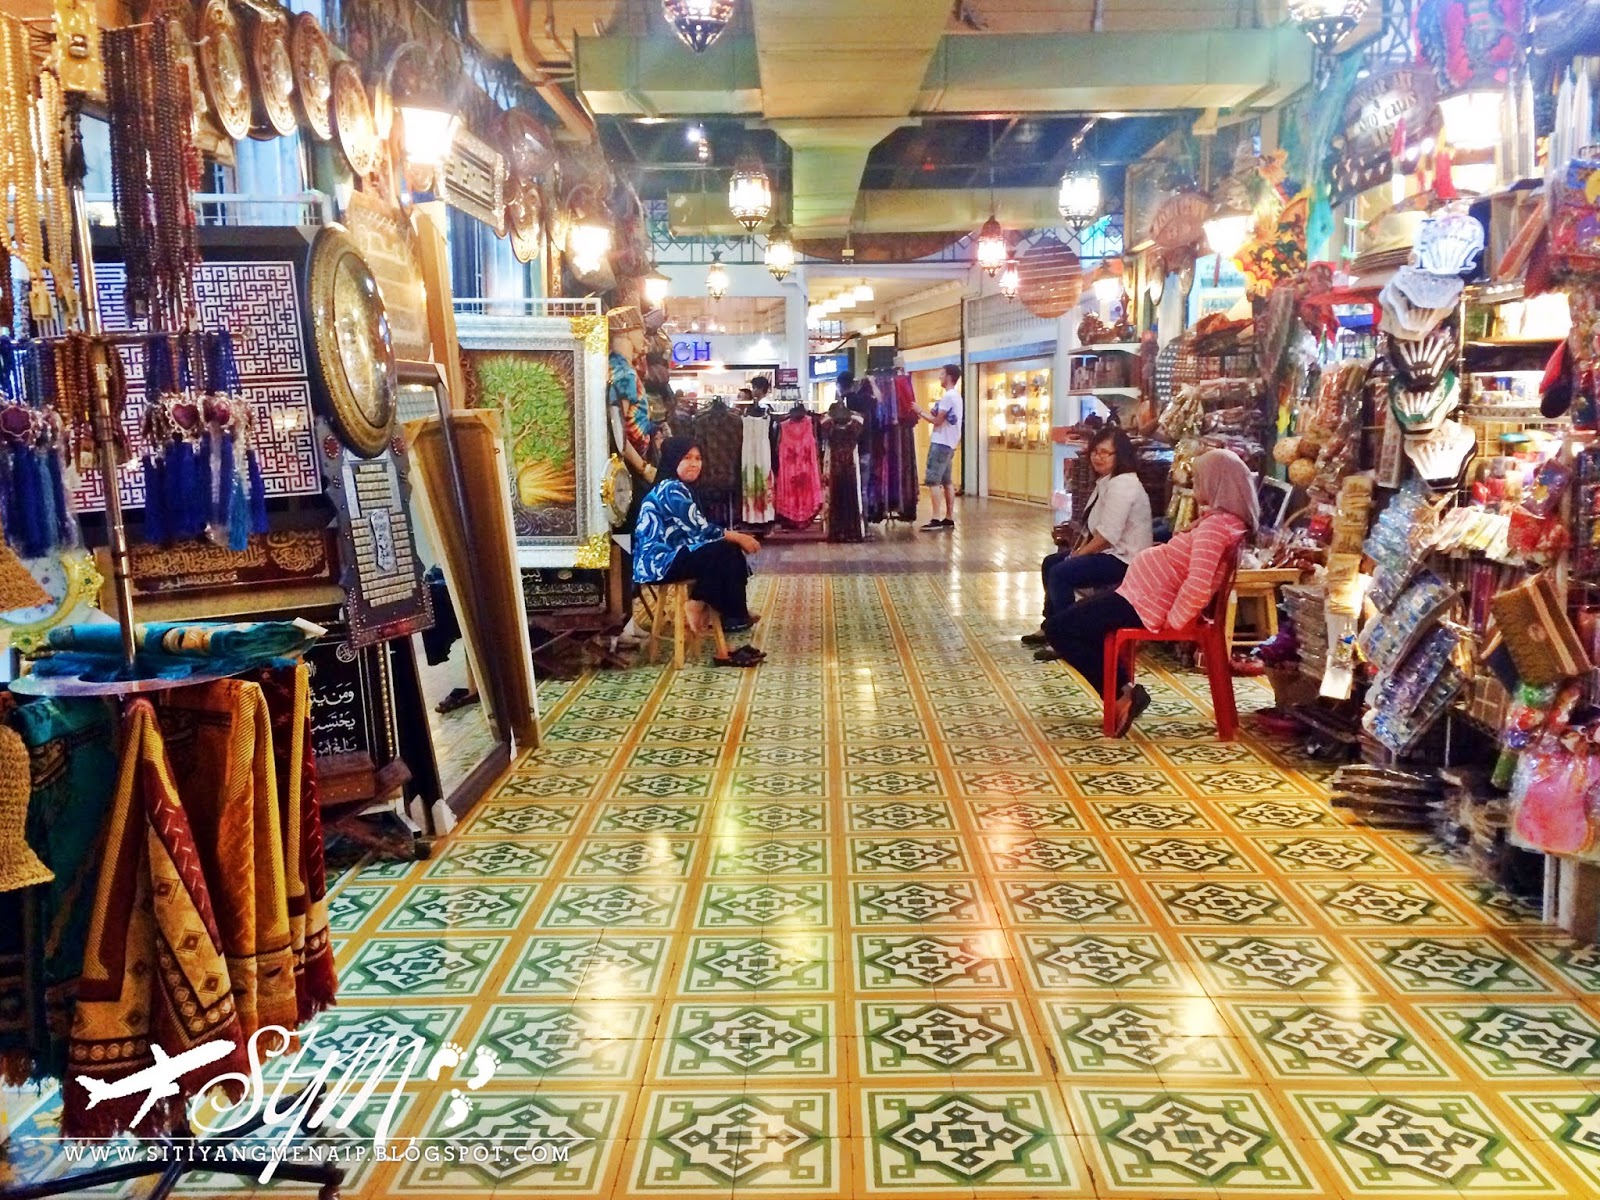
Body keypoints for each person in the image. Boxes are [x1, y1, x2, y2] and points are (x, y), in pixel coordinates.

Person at [1043, 448, 1258, 737]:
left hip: (1146, 604)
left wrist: (1174, 622)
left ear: (1217, 482)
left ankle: (1122, 694)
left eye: (1200, 480)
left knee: (1060, 629)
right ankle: (1125, 691)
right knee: (1078, 624)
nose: (1195, 487)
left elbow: (1198, 585)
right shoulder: (1221, 522)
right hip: (1141, 596)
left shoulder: (1216, 529)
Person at [633, 437, 765, 666]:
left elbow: (697, 533)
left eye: (698, 458)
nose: (694, 464)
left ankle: (730, 614)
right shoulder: (671, 488)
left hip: (674, 555)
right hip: (659, 561)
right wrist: (739, 536)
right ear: (673, 460)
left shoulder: (683, 488)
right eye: (687, 458)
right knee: (724, 549)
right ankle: (702, 604)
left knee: (725, 552)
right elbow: (701, 530)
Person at [1025, 428, 1151, 661]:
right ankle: (1050, 625)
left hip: (1125, 559)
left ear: (1119, 455)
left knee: (1062, 573)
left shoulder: (1123, 485)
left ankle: (1065, 634)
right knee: (1051, 562)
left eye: (1105, 452)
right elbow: (1091, 528)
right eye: (1095, 451)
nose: (1098, 457)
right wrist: (1075, 551)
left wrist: (1078, 556)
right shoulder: (1108, 482)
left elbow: (1107, 536)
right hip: (1111, 553)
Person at [916, 363, 963, 531]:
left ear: (949, 377)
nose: (939, 377)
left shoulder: (948, 397)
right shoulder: (956, 397)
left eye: (942, 374)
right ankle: (949, 517)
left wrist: (920, 411)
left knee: (933, 480)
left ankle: (936, 518)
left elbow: (937, 421)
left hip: (941, 443)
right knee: (947, 481)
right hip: (950, 443)